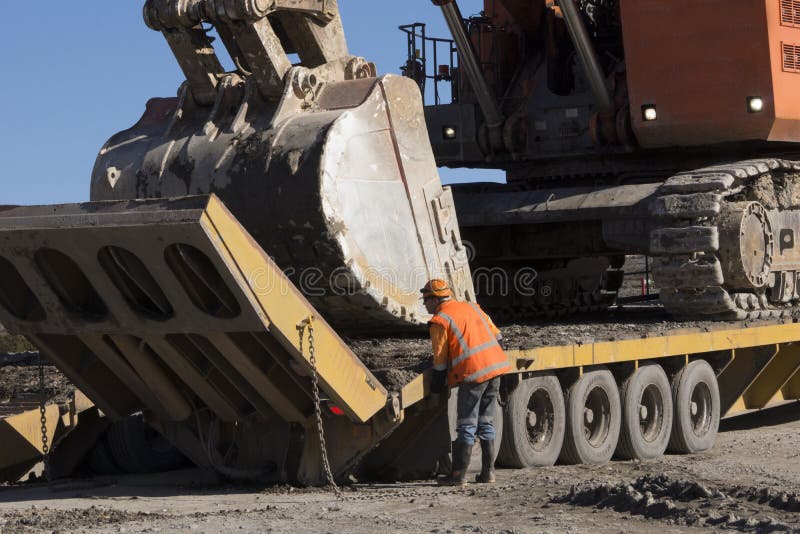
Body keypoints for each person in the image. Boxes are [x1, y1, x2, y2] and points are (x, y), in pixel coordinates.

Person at [421, 278, 510, 486]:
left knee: (466, 424)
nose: (424, 305)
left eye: (426, 300)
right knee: (486, 422)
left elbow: (440, 364)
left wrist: (435, 392)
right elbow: (499, 338)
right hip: (495, 369)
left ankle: (458, 475)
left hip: (473, 374)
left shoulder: (440, 321)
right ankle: (488, 474)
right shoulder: (472, 307)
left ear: (435, 299)